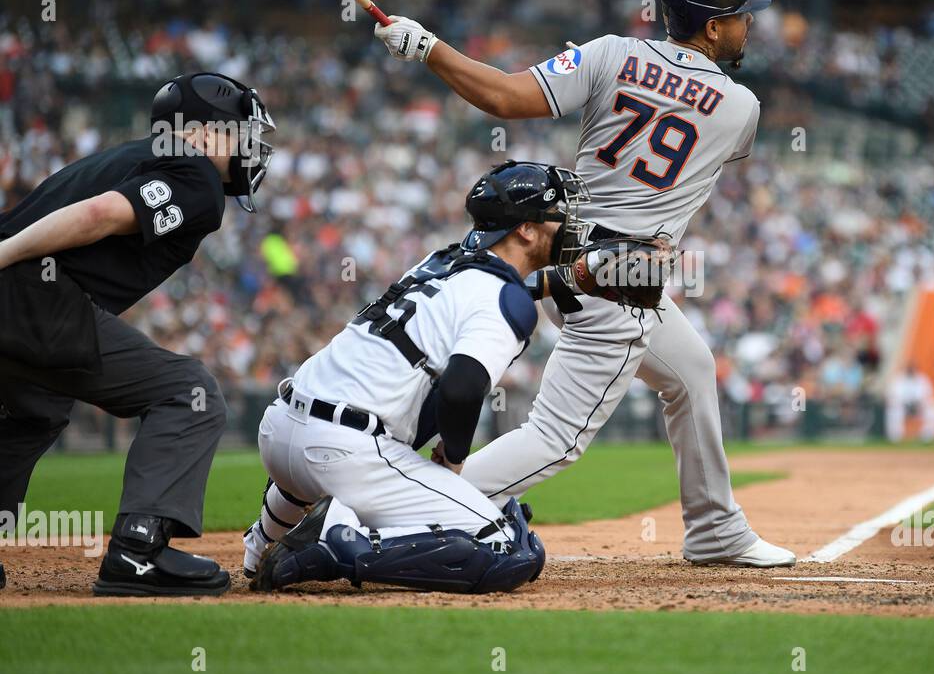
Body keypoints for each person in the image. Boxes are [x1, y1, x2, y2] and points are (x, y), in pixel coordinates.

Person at [372, 0, 794, 567]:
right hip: (625, 277)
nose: (746, 26)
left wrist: (431, 48)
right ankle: (395, 506)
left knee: (691, 373)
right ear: (708, 29)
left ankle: (716, 530)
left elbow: (505, 96)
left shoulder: (610, 53)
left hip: (569, 248)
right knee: (556, 437)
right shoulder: (741, 108)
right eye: (736, 17)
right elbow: (685, 133)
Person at [243, 162, 589, 594]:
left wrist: (571, 278)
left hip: (281, 433)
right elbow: (462, 389)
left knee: (377, 425)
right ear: (526, 230)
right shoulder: (504, 301)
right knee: (510, 548)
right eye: (559, 217)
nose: (570, 225)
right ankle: (338, 542)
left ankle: (259, 545)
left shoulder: (439, 261)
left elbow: (493, 288)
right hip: (344, 453)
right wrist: (453, 460)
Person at [0, 73, 275, 595]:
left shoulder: (130, 156)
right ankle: (137, 553)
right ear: (202, 132)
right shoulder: (195, 175)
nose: (250, 145)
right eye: (239, 131)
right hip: (31, 299)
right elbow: (101, 214)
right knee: (189, 394)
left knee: (39, 405)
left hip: (21, 300)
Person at [885, 363, 934, 443]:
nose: (911, 371)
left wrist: (921, 404)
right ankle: (895, 438)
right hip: (903, 407)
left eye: (913, 368)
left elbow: (929, 396)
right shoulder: (899, 379)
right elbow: (892, 397)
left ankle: (927, 437)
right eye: (909, 369)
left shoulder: (922, 379)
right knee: (893, 408)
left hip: (919, 407)